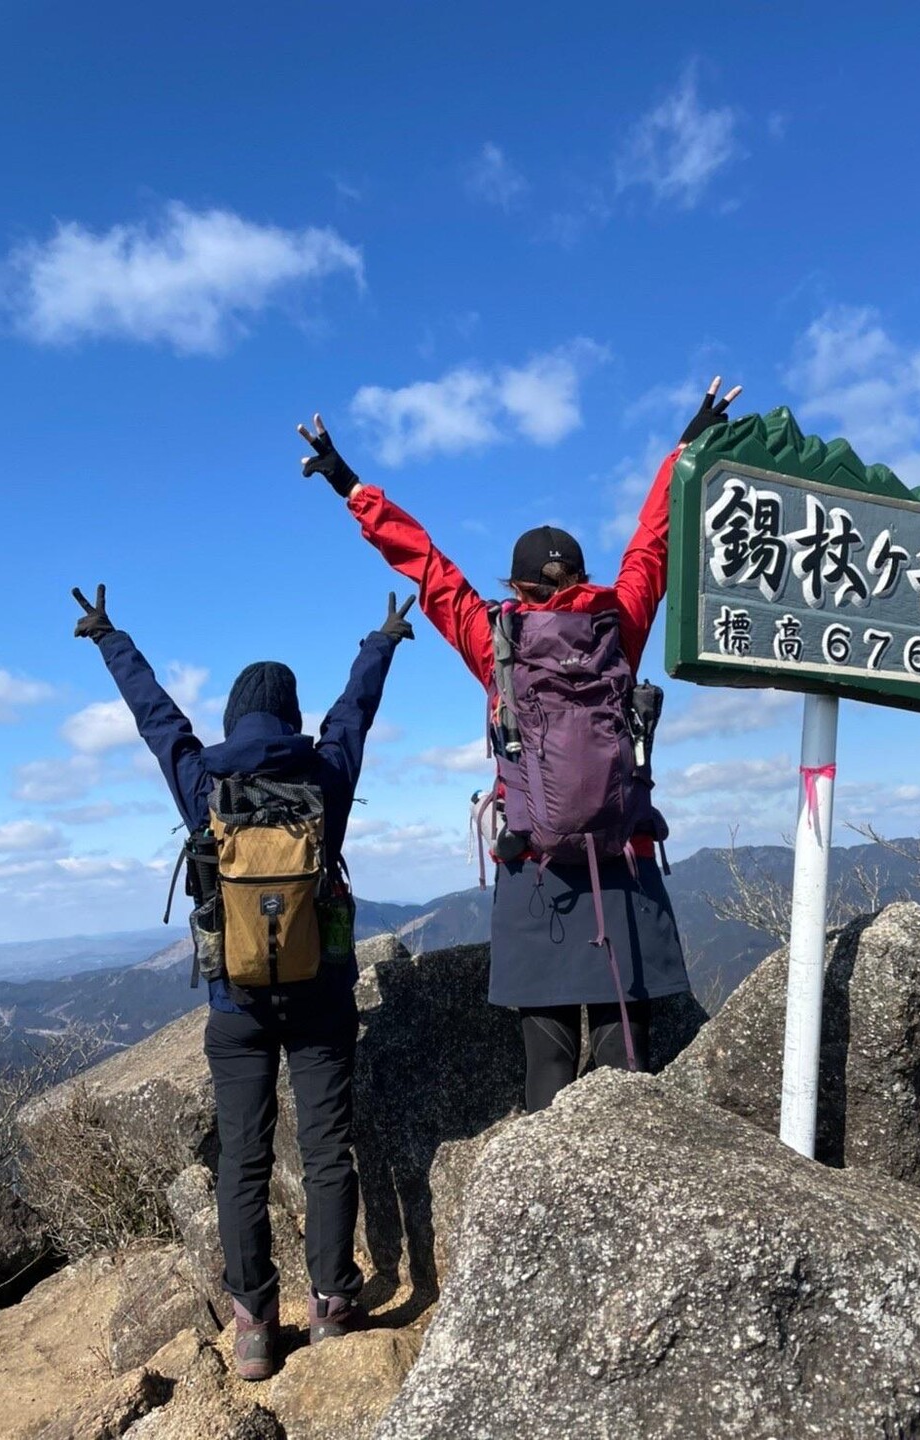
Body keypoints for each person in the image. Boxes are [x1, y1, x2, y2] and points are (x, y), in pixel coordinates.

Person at [295, 376, 741, 1113]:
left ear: (519, 585)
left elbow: (427, 569)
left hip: (535, 866)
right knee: (626, 1066)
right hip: (622, 864)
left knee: (548, 1060)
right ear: (582, 578)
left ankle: (548, 1199)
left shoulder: (494, 639)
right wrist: (691, 442)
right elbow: (652, 541)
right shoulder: (618, 624)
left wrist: (348, 483)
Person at [70, 583, 415, 1380]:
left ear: (231, 717)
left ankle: (255, 1324)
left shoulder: (202, 782)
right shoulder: (323, 774)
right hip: (320, 995)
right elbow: (352, 715)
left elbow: (155, 717)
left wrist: (108, 637)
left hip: (236, 1004)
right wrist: (382, 641)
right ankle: (332, 1305)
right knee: (329, 1150)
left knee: (244, 1161)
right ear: (289, 715)